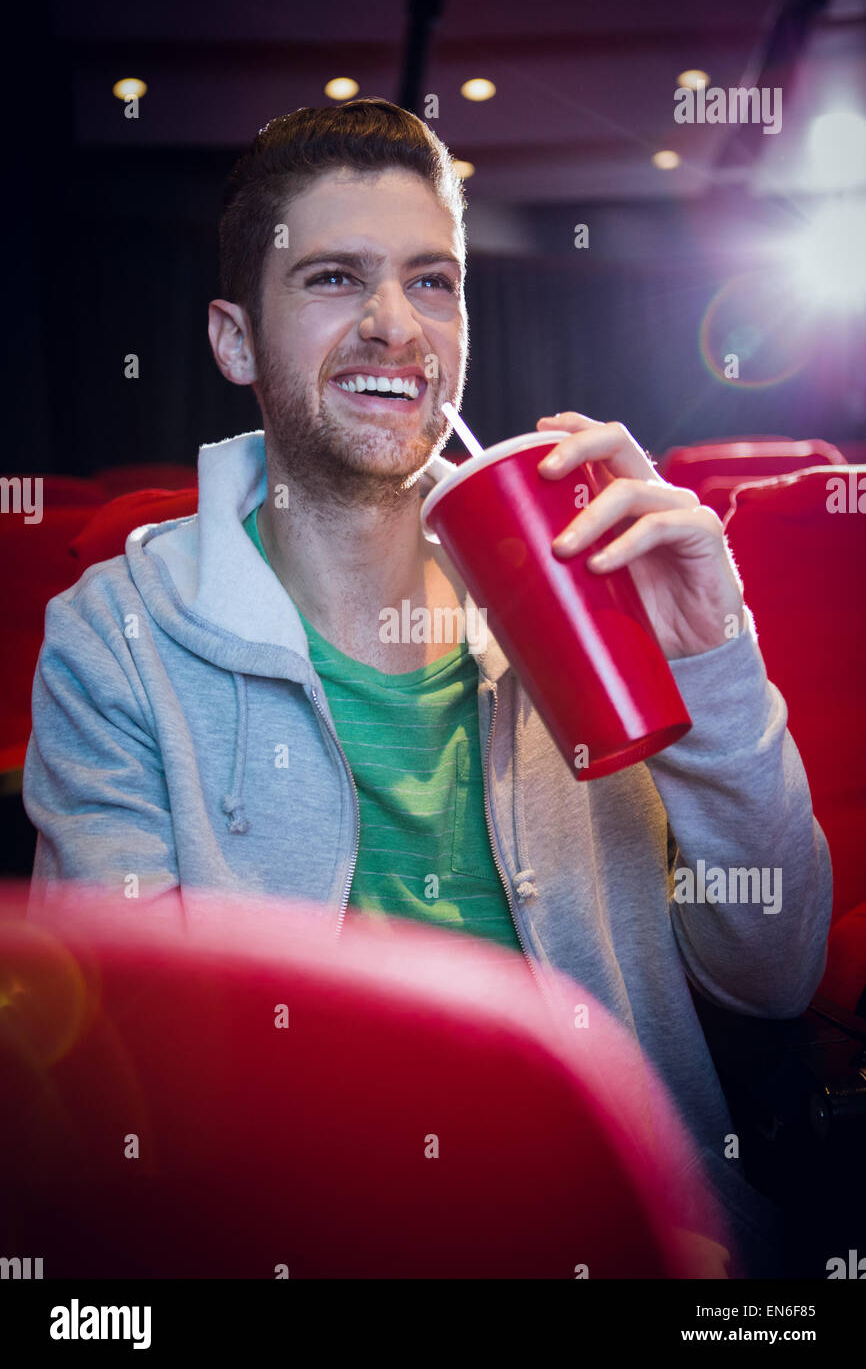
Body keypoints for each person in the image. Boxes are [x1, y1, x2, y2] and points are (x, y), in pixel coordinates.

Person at [23, 99, 832, 1277]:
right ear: (235, 341)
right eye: (335, 279)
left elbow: (775, 971)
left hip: (653, 1240)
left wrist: (709, 651)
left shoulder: (580, 594)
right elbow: (132, 1096)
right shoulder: (117, 643)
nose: (395, 325)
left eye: (433, 282)